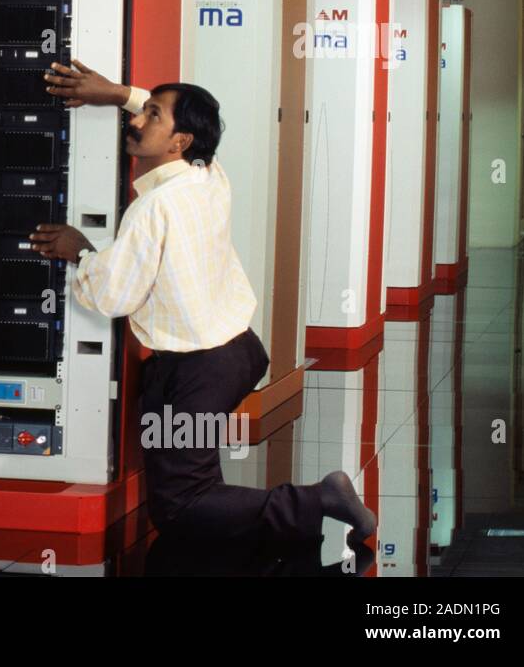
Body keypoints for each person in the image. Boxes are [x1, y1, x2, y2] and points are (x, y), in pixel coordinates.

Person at [30, 58, 377, 547]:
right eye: (143, 111)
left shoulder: (153, 207)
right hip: (235, 355)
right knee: (186, 467)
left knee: (181, 503)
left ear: (179, 142)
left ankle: (320, 499)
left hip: (199, 369)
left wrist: (80, 250)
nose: (136, 121)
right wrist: (117, 93)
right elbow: (176, 119)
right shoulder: (208, 175)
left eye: (152, 116)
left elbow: (112, 294)